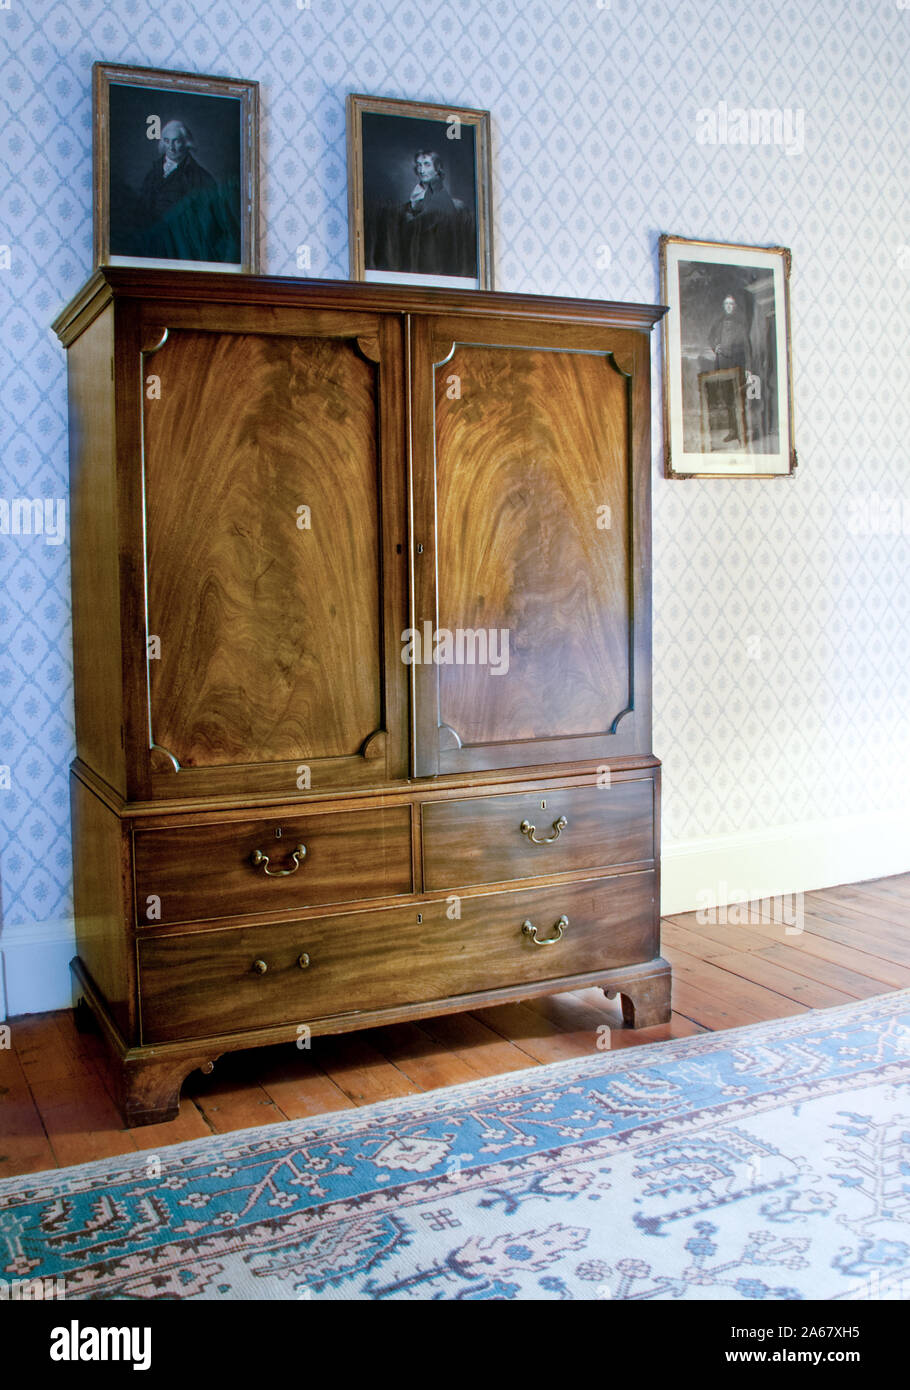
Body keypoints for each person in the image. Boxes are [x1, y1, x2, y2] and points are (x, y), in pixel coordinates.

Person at [135, 120, 239, 263]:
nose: (171, 147)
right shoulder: (153, 173)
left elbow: (209, 226)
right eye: (167, 141)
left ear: (186, 143)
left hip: (180, 250)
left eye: (176, 141)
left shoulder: (202, 178)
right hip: (151, 246)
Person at [399, 150, 475, 277]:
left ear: (437, 168)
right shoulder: (418, 193)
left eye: (427, 164)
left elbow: (419, 225)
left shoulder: (440, 196)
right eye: (419, 165)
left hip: (436, 260)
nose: (421, 170)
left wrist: (408, 218)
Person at [708, 294, 750, 444]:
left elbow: (747, 348)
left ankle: (742, 433)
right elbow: (710, 338)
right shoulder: (718, 325)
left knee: (740, 401)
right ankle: (733, 431)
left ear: (735, 307)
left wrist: (748, 369)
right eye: (726, 304)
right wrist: (715, 347)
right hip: (723, 368)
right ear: (723, 306)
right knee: (728, 401)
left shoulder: (740, 327)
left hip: (737, 367)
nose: (729, 306)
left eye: (731, 304)